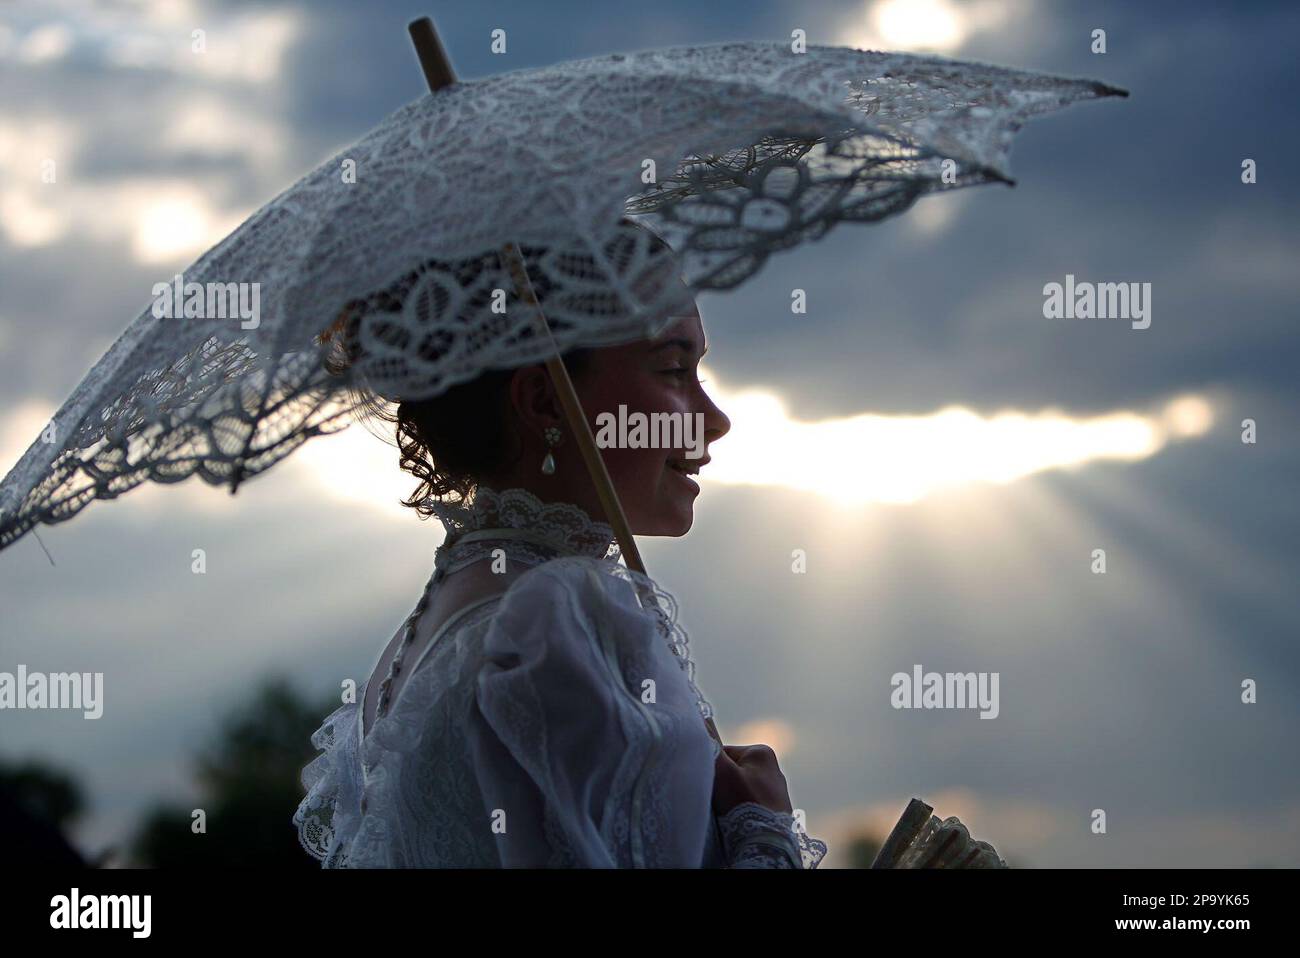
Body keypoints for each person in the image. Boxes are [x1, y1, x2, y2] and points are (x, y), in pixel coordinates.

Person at [295, 222, 827, 868]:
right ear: (547, 401)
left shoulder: (438, 630)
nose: (714, 419)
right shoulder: (558, 621)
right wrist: (761, 831)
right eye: (673, 369)